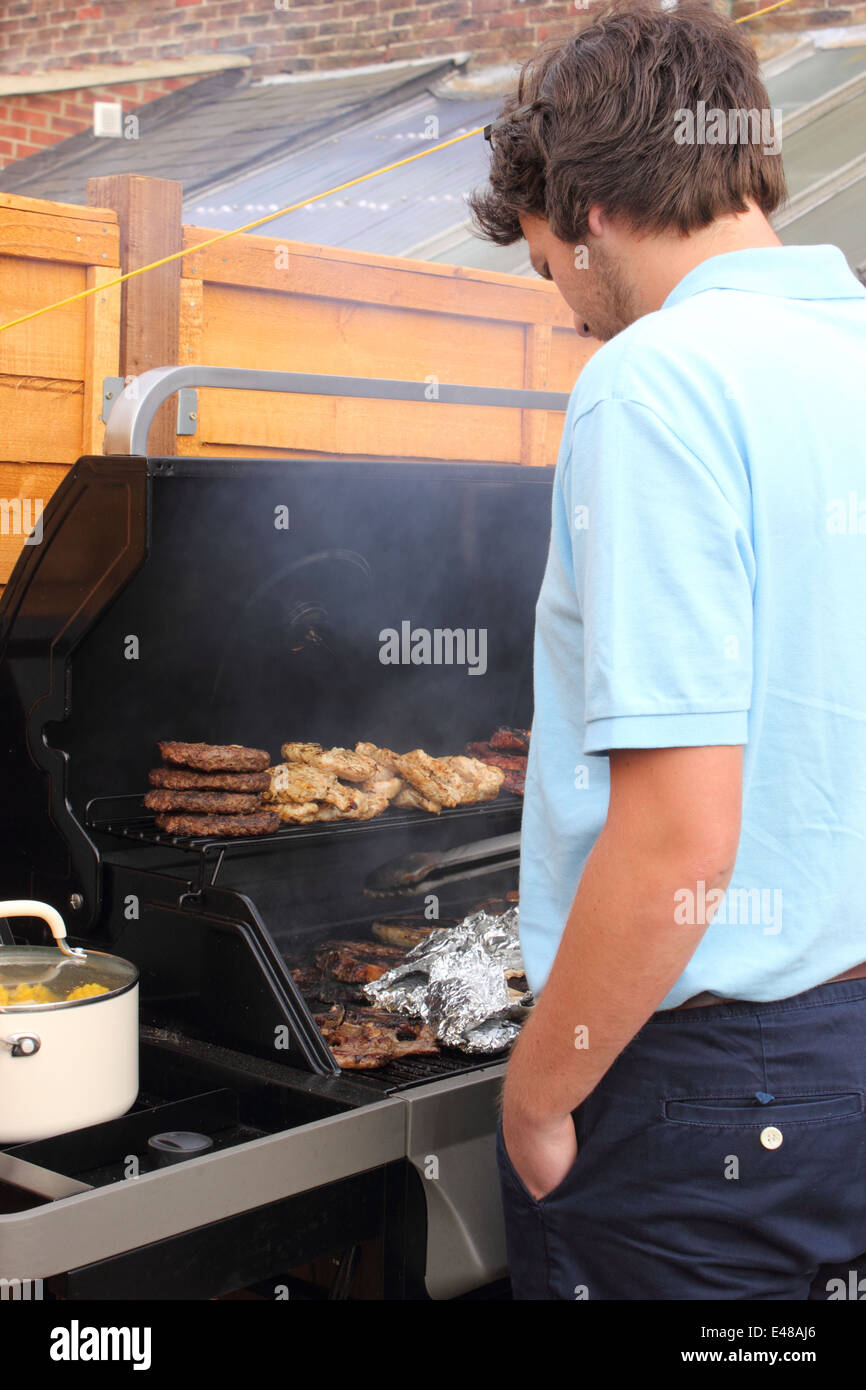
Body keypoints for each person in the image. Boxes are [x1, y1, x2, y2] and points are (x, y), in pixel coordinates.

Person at [469, 0, 866, 1300]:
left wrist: (538, 1088)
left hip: (701, 1098)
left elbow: (679, 840)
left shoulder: (651, 382)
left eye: (546, 271)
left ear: (583, 211)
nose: (571, 314)